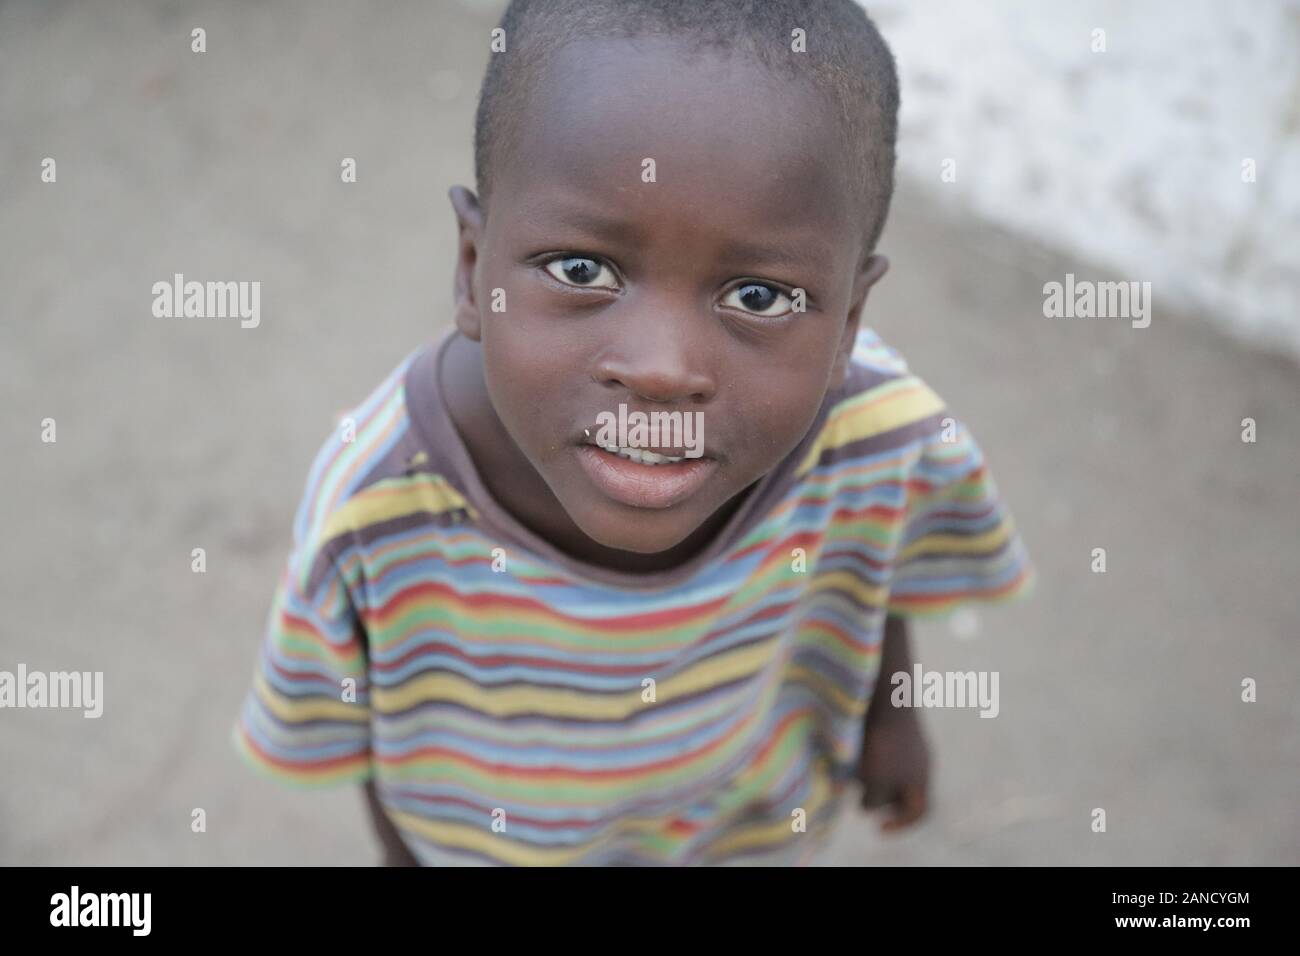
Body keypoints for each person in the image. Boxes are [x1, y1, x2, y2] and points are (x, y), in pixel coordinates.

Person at [233, 0, 1035, 866]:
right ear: (473, 268)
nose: (660, 368)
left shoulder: (882, 437)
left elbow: (881, 572)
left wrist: (892, 715)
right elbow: (358, 740)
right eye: (583, 270)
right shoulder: (376, 506)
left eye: (758, 296)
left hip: (744, 830)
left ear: (848, 320)